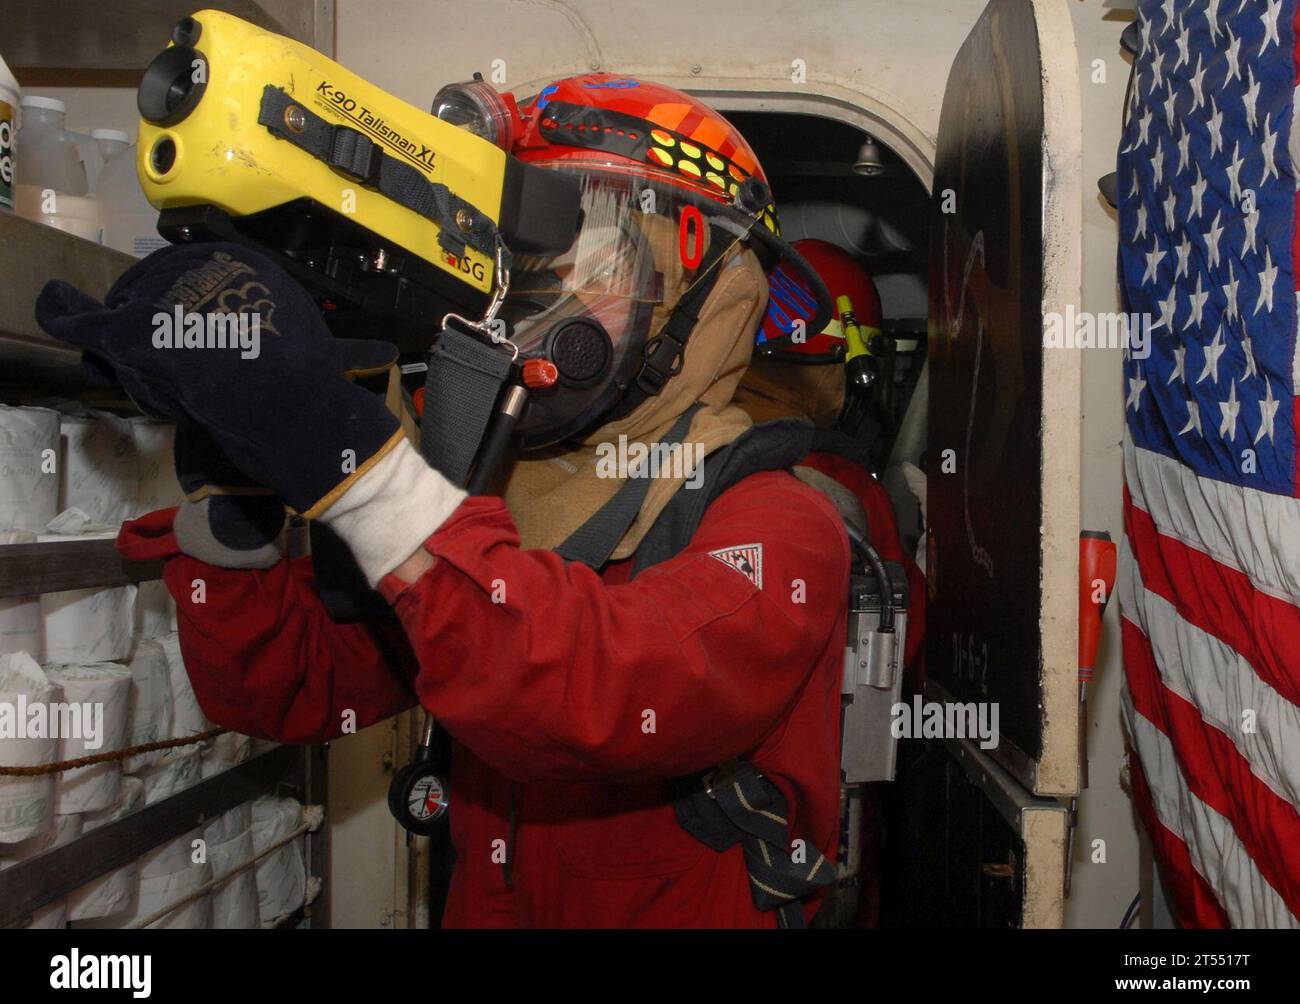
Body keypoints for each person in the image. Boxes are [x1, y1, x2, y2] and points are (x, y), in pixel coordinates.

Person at [36, 75, 853, 929]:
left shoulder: (780, 529)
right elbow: (289, 688)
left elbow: (590, 690)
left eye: (596, 255)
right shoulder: (495, 491)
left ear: (706, 293)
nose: (542, 291)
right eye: (527, 254)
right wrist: (234, 472)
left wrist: (353, 464)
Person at [734, 237, 927, 927]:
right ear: (849, 365)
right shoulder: (844, 484)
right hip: (816, 830)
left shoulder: (686, 450)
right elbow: (903, 652)